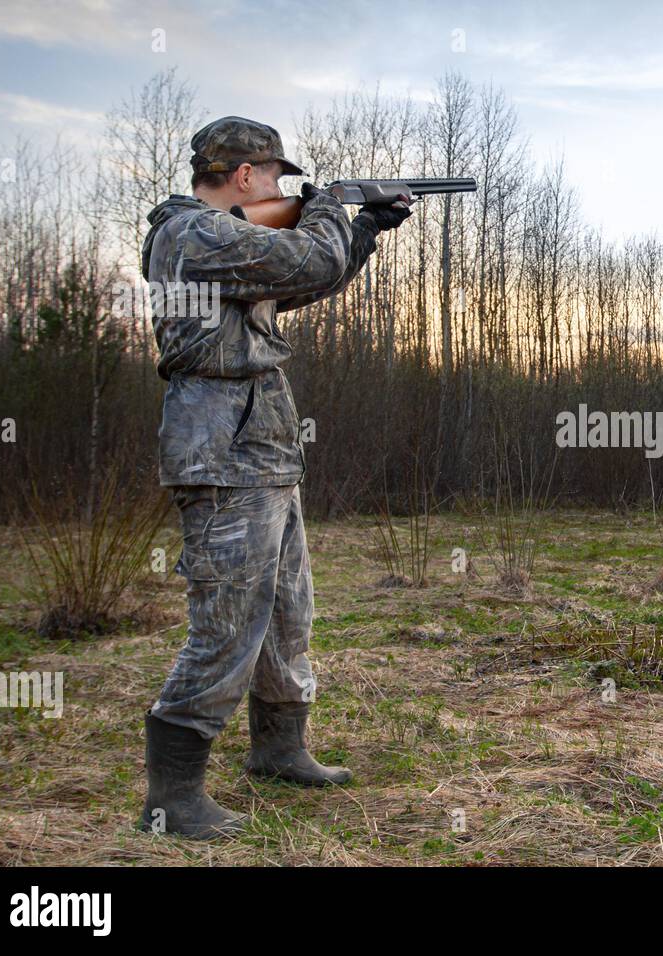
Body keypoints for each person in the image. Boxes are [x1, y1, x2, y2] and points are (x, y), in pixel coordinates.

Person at [137, 116, 409, 839]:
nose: (282, 189)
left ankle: (280, 749)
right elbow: (303, 260)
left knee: (288, 616)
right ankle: (173, 796)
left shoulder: (229, 247)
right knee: (227, 623)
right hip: (220, 451)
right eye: (277, 178)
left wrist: (362, 234)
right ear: (246, 176)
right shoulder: (193, 234)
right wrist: (328, 209)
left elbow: (304, 278)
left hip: (263, 447)